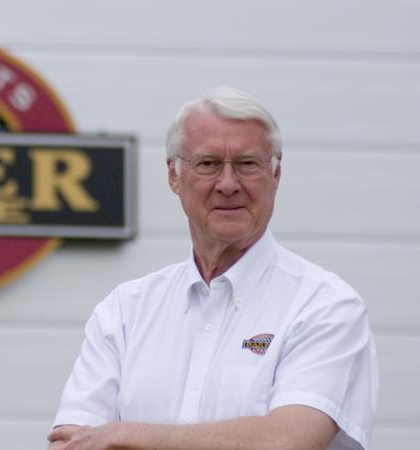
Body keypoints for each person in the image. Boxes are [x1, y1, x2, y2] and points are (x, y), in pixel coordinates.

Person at [47, 87, 379, 450]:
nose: (228, 184)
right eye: (207, 164)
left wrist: (127, 435)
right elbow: (70, 445)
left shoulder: (325, 306)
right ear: (174, 176)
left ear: (276, 174)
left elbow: (286, 441)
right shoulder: (125, 311)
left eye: (247, 163)